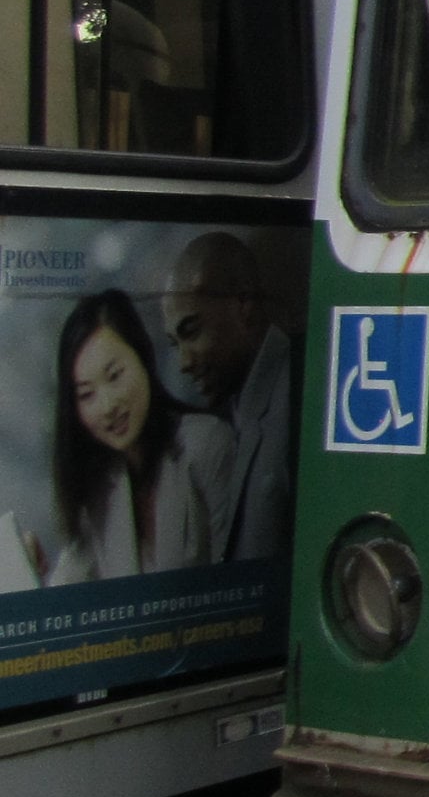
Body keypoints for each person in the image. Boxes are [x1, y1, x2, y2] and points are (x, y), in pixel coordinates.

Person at [47, 290, 233, 584]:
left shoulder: (206, 444)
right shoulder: (97, 491)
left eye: (115, 375)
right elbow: (62, 591)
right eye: (87, 394)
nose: (108, 406)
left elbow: (242, 576)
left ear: (144, 358)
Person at [162, 232, 294, 562]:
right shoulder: (225, 419)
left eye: (191, 331)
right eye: (174, 345)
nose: (183, 363)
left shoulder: (299, 396)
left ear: (243, 304)